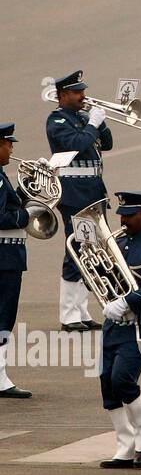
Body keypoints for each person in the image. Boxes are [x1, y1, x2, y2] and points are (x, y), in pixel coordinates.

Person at [97, 191, 141, 468]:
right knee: (107, 385)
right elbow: (102, 277)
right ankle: (124, 445)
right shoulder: (116, 244)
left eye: (130, 214)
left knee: (122, 379)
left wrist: (128, 301)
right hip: (113, 324)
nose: (124, 220)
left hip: (139, 325)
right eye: (122, 215)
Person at [46, 70, 111, 332]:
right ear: (62, 95)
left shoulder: (83, 117)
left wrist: (100, 122)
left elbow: (106, 143)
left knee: (93, 252)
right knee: (76, 250)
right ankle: (69, 314)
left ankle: (82, 310)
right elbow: (78, 144)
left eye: (82, 91)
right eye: (76, 92)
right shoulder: (57, 121)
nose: (82, 95)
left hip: (94, 190)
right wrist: (93, 124)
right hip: (74, 192)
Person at [0, 123, 33, 398]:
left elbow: (8, 204)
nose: (11, 149)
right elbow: (2, 216)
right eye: (8, 144)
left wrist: (26, 191)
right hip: (4, 256)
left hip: (8, 255)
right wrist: (27, 215)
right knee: (3, 316)